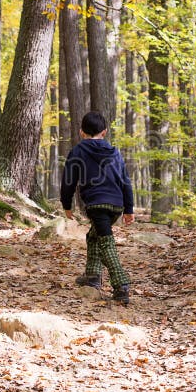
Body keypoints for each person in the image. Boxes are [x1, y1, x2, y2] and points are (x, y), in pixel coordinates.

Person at [60, 111, 135, 304]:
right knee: (93, 237)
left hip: (96, 204)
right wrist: (128, 209)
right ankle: (92, 276)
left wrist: (66, 205)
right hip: (116, 205)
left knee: (106, 242)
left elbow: (68, 181)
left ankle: (121, 284)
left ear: (81, 132)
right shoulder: (115, 153)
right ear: (105, 132)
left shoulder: (78, 151)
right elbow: (125, 181)